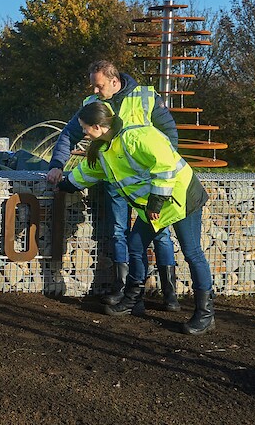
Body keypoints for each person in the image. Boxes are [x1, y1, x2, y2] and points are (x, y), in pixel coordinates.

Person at [57, 101, 214, 335]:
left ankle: (205, 314)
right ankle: (133, 299)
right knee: (135, 244)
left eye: (85, 128)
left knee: (191, 252)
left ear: (98, 127)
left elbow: (166, 164)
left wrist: (156, 202)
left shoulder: (137, 136)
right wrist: (64, 184)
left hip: (182, 197)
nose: (83, 132)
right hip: (155, 206)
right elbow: (90, 172)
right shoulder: (104, 149)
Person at [45, 61, 182, 312]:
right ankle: (124, 290)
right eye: (93, 86)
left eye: (99, 86)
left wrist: (160, 177)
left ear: (114, 81)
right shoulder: (91, 104)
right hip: (114, 181)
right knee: (119, 232)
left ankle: (169, 293)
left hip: (147, 184)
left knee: (160, 233)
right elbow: (69, 135)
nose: (95, 91)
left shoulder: (146, 97)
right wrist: (57, 165)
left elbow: (169, 136)